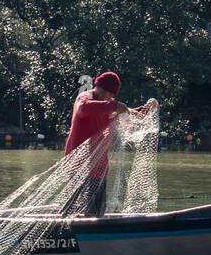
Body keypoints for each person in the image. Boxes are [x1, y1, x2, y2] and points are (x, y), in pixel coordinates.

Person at [63, 71, 157, 216]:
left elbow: (131, 114)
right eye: (107, 93)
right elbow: (83, 108)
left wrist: (147, 108)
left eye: (112, 95)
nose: (109, 97)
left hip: (99, 161)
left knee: (96, 207)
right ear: (98, 87)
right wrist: (112, 105)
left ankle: (96, 227)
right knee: (74, 203)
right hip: (78, 159)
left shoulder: (109, 105)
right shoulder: (85, 97)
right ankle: (69, 227)